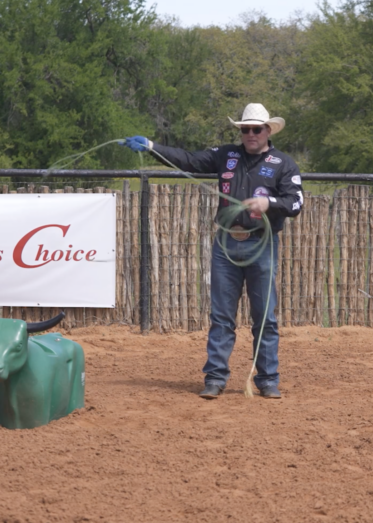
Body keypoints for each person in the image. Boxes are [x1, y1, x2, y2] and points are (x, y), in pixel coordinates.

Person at [123, 103, 303, 400]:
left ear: (268, 130)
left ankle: (268, 379)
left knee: (265, 317)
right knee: (221, 316)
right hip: (226, 243)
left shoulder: (283, 163)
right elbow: (189, 160)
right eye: (245, 129)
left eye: (256, 129)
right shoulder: (226, 156)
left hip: (262, 244)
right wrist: (152, 146)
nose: (250, 134)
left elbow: (296, 203)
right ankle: (215, 377)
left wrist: (269, 203)